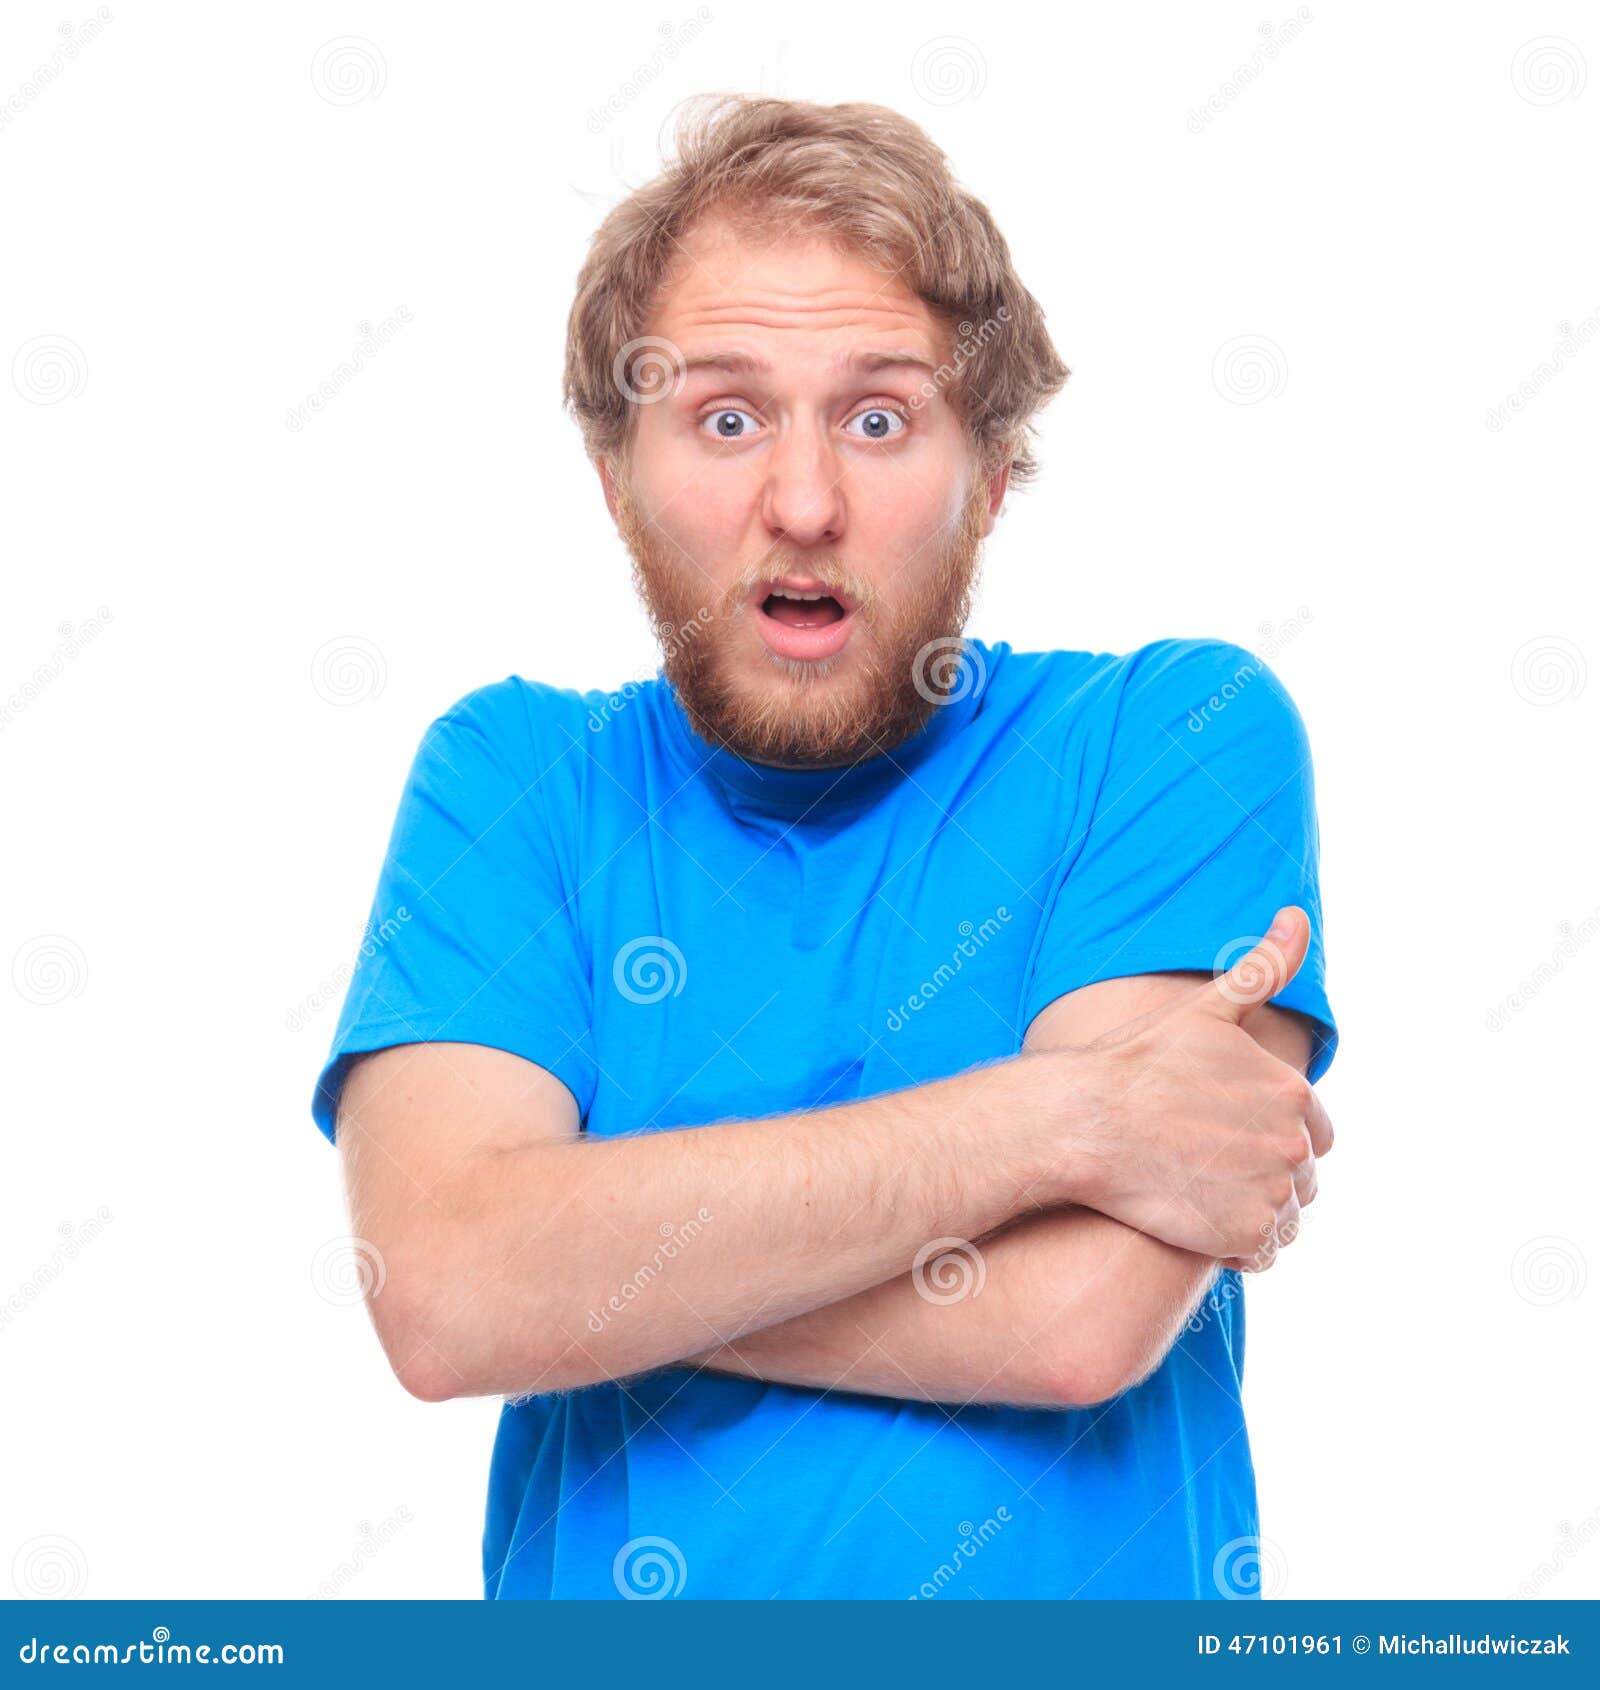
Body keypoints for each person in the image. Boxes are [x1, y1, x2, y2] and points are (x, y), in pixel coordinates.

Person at [310, 95, 1338, 1601]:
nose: (802, 502)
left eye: (879, 417)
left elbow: (1075, 1324)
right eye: (725, 417)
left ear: (990, 473)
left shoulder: (1172, 734)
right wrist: (1064, 1121)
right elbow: (450, 1297)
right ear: (616, 479)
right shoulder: (518, 779)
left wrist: (585, 1261)